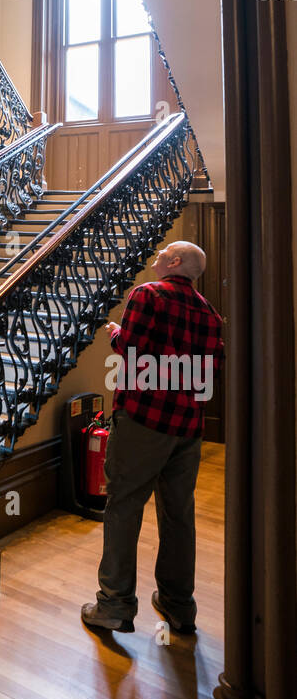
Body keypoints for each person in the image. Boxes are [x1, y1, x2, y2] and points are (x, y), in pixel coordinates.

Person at [81, 240, 224, 635]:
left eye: (163, 254)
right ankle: (180, 605)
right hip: (188, 427)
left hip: (144, 419)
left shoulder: (148, 295)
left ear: (175, 262)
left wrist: (114, 332)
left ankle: (114, 605)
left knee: (124, 507)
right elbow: (211, 369)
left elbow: (130, 348)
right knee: (178, 515)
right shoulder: (210, 313)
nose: (157, 256)